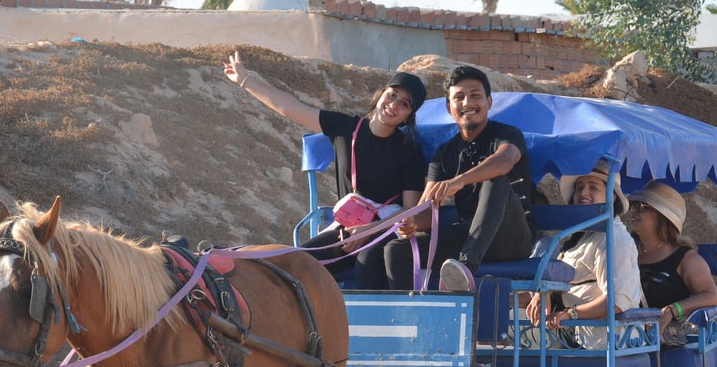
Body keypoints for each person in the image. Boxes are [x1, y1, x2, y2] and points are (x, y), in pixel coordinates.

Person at [222, 51, 427, 289]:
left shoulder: (409, 151)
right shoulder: (345, 128)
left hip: (384, 229)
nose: (393, 105)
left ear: (408, 117)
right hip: (348, 226)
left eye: (404, 104)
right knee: (294, 262)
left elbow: (409, 211)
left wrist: (369, 230)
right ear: (381, 94)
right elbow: (289, 106)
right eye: (392, 95)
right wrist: (246, 80)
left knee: (368, 262)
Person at [384, 65, 535, 292]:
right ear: (449, 106)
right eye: (459, 97)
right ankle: (407, 318)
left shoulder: (507, 134)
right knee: (396, 249)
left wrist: (460, 180)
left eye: (475, 96)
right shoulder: (443, 155)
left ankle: (465, 269)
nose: (467, 103)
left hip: (512, 239)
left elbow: (505, 161)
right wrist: (413, 222)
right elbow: (426, 209)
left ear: (489, 102)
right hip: (469, 236)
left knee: (496, 179)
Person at [526, 160, 642, 349]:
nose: (583, 193)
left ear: (612, 196)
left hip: (605, 343)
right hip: (570, 336)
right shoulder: (581, 237)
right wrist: (543, 292)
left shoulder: (614, 239)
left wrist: (569, 314)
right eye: (579, 188)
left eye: (593, 187)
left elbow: (616, 302)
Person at [627, 181, 717, 343]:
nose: (634, 211)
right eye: (634, 206)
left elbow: (711, 296)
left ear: (662, 217)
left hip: (663, 342)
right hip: (625, 339)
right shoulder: (626, 251)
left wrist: (672, 310)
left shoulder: (686, 258)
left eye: (642, 207)